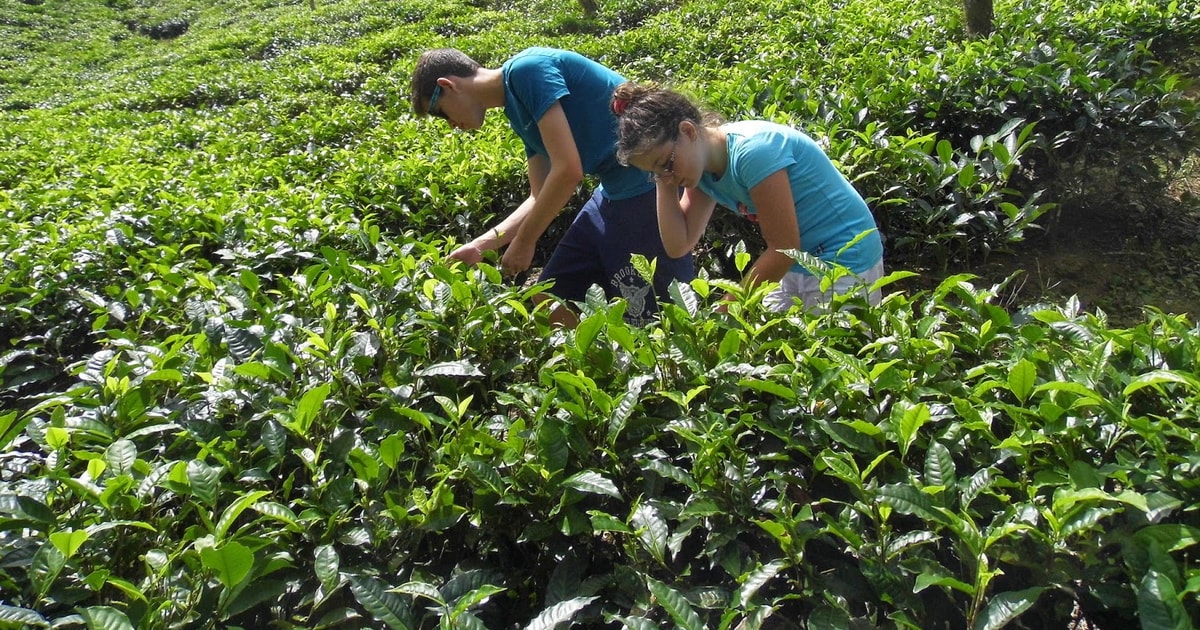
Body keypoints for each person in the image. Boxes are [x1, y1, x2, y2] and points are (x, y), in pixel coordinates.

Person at [409, 48, 694, 327]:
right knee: (549, 298)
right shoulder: (517, 109)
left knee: (656, 315)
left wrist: (524, 241)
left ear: (447, 85)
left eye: (440, 113)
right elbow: (539, 193)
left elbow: (568, 171)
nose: (451, 125)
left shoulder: (527, 70)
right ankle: (600, 370)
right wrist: (482, 245)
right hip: (611, 193)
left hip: (647, 186)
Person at [611, 82, 885, 312]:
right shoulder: (701, 169)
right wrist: (664, 179)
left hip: (846, 259)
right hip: (799, 263)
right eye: (654, 173)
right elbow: (678, 244)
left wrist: (725, 309)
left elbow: (783, 249)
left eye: (667, 164)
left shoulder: (753, 153)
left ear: (688, 131)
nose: (667, 177)